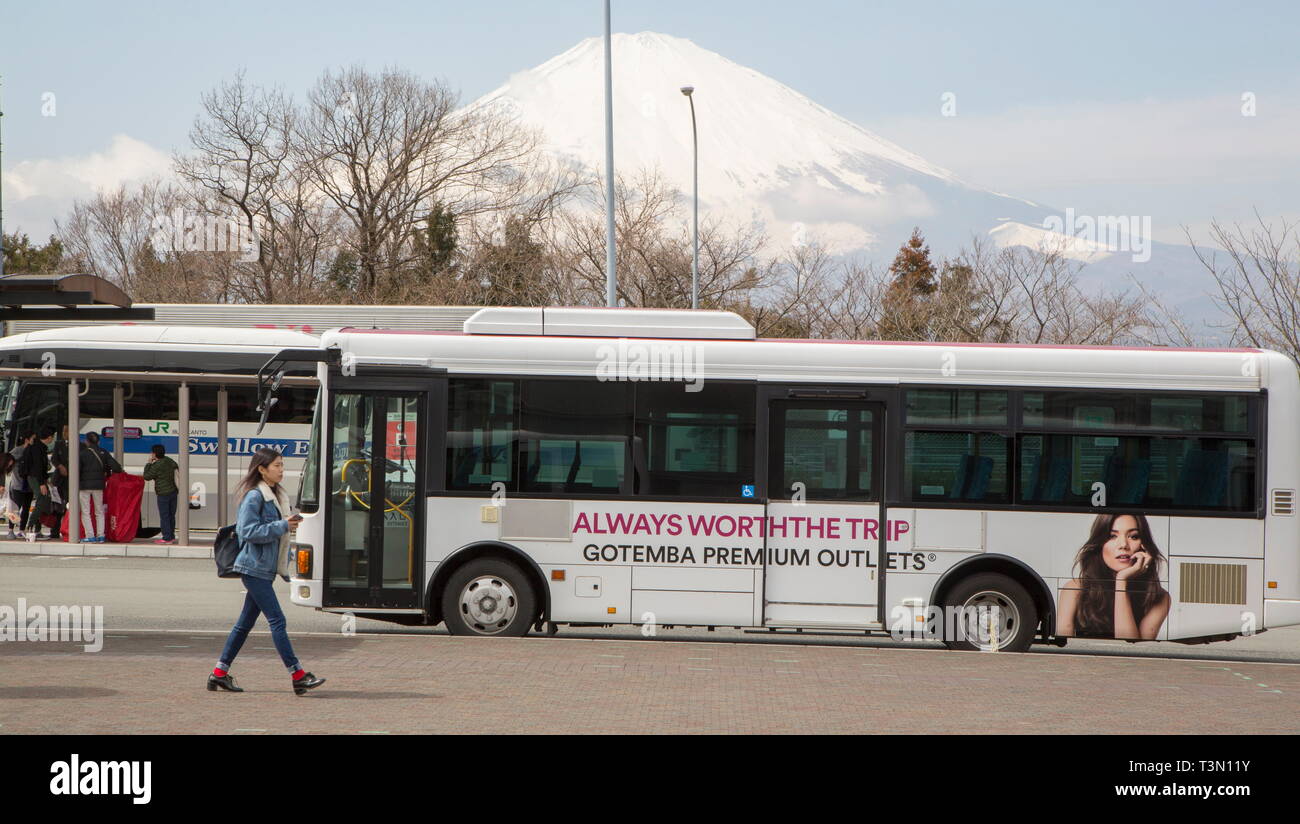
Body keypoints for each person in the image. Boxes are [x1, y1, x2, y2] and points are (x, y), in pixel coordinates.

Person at [209, 447, 325, 695]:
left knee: (244, 624)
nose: (281, 470)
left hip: (263, 568)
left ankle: (219, 673)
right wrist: (283, 525)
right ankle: (298, 674)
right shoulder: (255, 496)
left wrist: (286, 524)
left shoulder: (274, 495)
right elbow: (247, 531)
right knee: (277, 620)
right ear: (262, 469)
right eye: (277, 466)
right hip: (253, 567)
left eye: (282, 465)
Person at [1056, 513, 1171, 640]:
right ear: (1100, 544)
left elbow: (1133, 650)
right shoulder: (1074, 589)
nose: (1123, 545)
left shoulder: (1160, 597)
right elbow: (1065, 649)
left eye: (1133, 536)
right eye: (1112, 536)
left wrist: (1121, 581)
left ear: (1144, 546)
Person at [77, 431, 124, 543]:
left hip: (84, 486)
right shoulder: (104, 452)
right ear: (98, 441)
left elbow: (77, 471)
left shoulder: (82, 454)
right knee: (99, 511)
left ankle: (90, 536)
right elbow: (117, 467)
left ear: (86, 441)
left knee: (86, 511)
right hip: (99, 486)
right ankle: (101, 535)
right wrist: (106, 473)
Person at [19, 427, 56, 540]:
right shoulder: (38, 448)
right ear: (49, 437)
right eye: (52, 437)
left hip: (37, 478)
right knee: (41, 499)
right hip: (36, 478)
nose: (52, 439)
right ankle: (30, 527)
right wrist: (42, 483)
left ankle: (37, 529)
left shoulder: (38, 447)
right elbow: (37, 467)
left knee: (43, 500)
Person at [142, 444, 179, 545]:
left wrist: (149, 463)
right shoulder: (169, 460)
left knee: (164, 516)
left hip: (163, 494)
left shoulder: (156, 465)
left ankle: (166, 538)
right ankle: (171, 536)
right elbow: (176, 467)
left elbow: (147, 476)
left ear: (154, 454)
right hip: (173, 492)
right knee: (171, 515)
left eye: (152, 453)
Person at [8, 432, 34, 538]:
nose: (34, 441)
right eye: (33, 439)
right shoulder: (16, 450)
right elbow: (9, 462)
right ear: (27, 440)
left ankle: (22, 530)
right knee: (15, 508)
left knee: (26, 508)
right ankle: (10, 530)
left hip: (29, 485)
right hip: (17, 484)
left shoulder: (33, 451)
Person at [1, 453, 22, 538]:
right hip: (4, 495)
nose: (10, 465)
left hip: (5, 495)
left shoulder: (6, 471)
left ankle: (12, 528)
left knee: (10, 509)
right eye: (9, 463)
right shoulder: (4, 472)